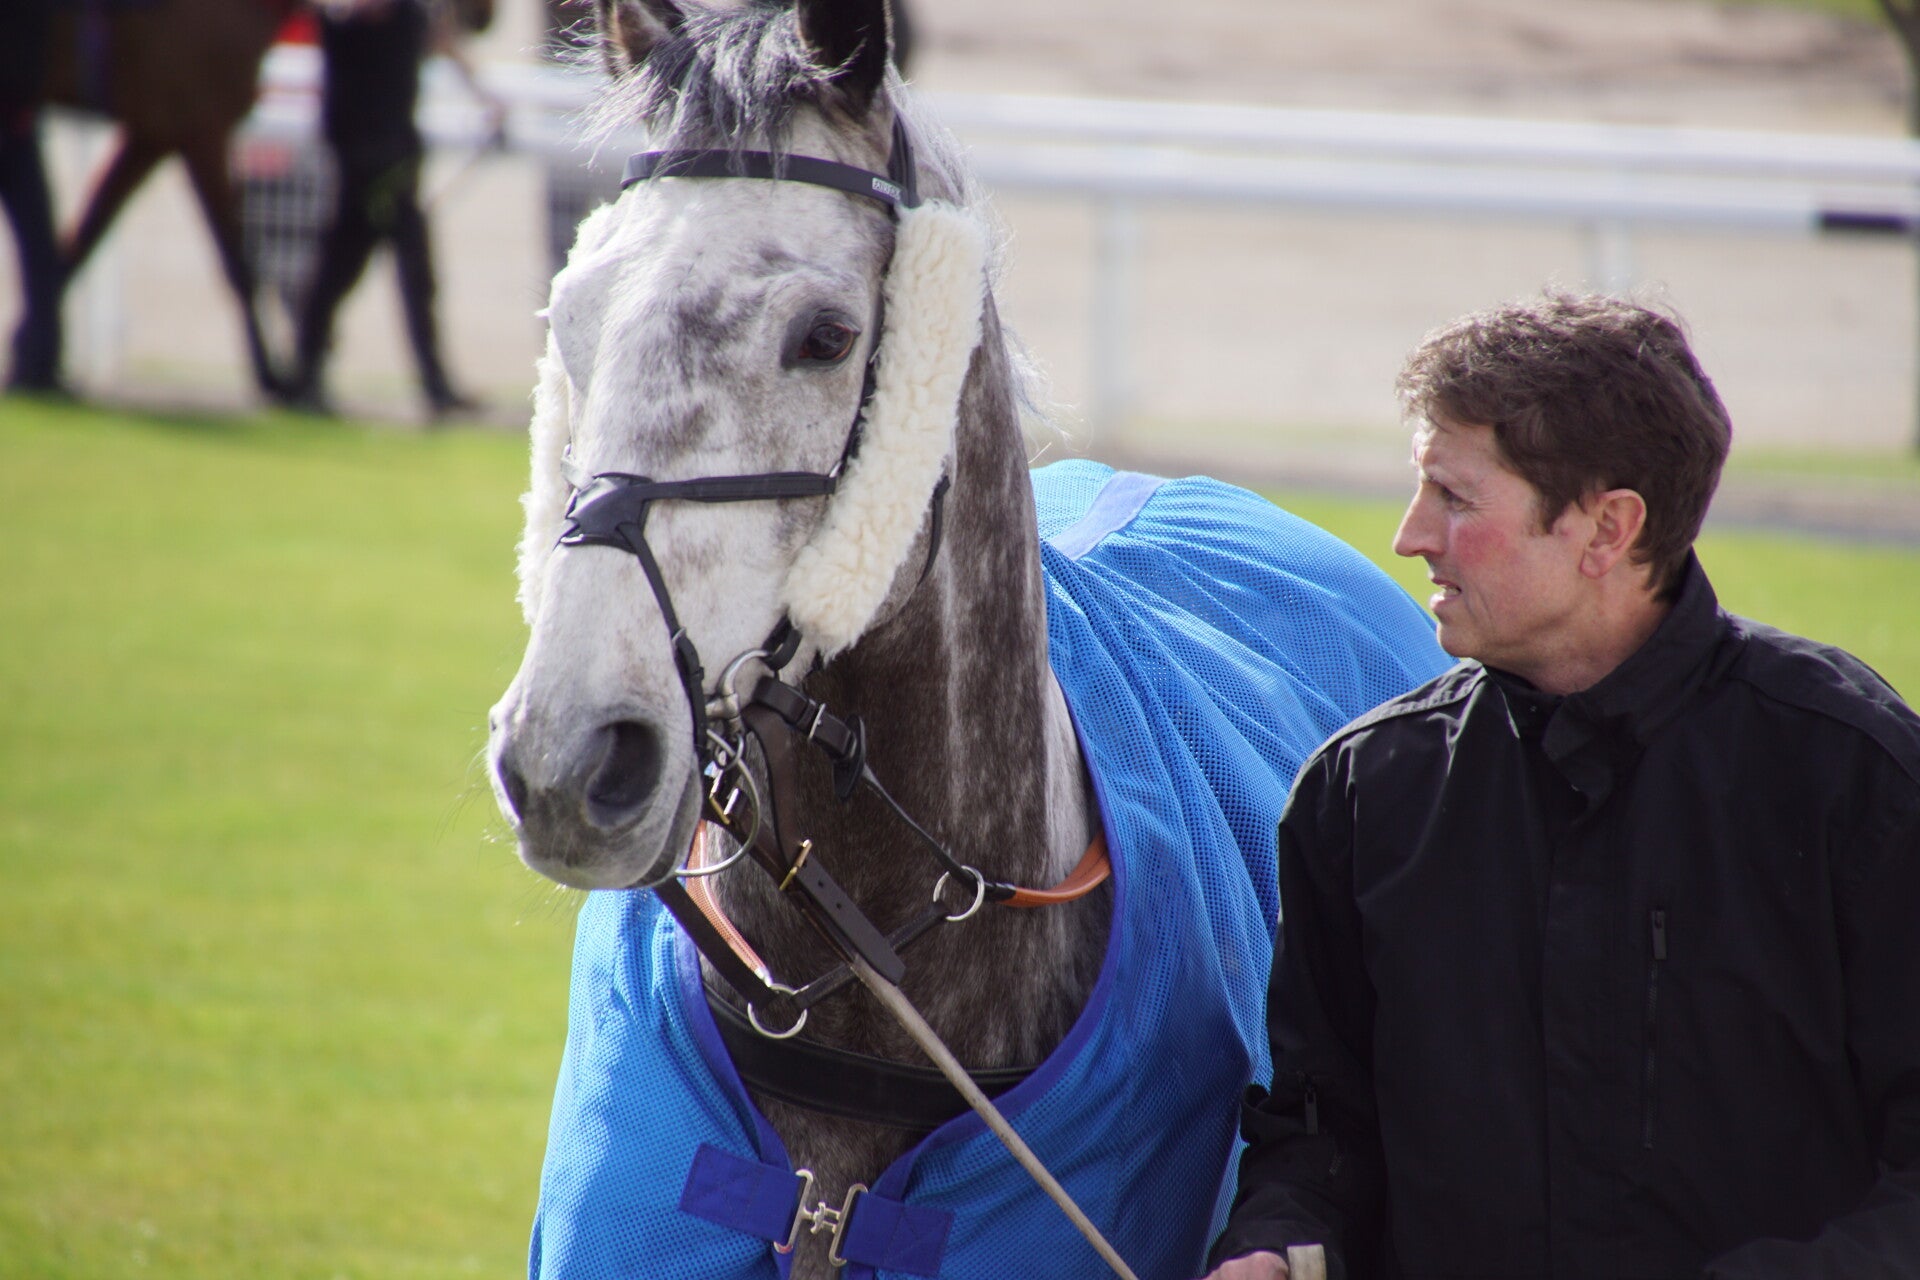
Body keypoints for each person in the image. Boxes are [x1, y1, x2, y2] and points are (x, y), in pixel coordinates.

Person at [1203, 293, 1920, 1279]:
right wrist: (1277, 1243)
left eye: (1454, 497)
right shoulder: (1366, 793)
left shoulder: (1854, 774)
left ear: (1608, 527)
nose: (1412, 535)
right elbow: (1320, 1128)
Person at [287, 0, 497, 419]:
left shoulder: (410, 19)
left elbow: (447, 46)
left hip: (395, 164)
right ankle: (306, 375)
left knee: (402, 277)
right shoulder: (345, 22)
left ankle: (432, 386)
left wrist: (488, 98)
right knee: (342, 274)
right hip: (363, 165)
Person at [1, 0, 63, 392]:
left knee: (41, 253)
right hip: (13, 129)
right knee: (40, 250)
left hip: (17, 132)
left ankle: (39, 365)